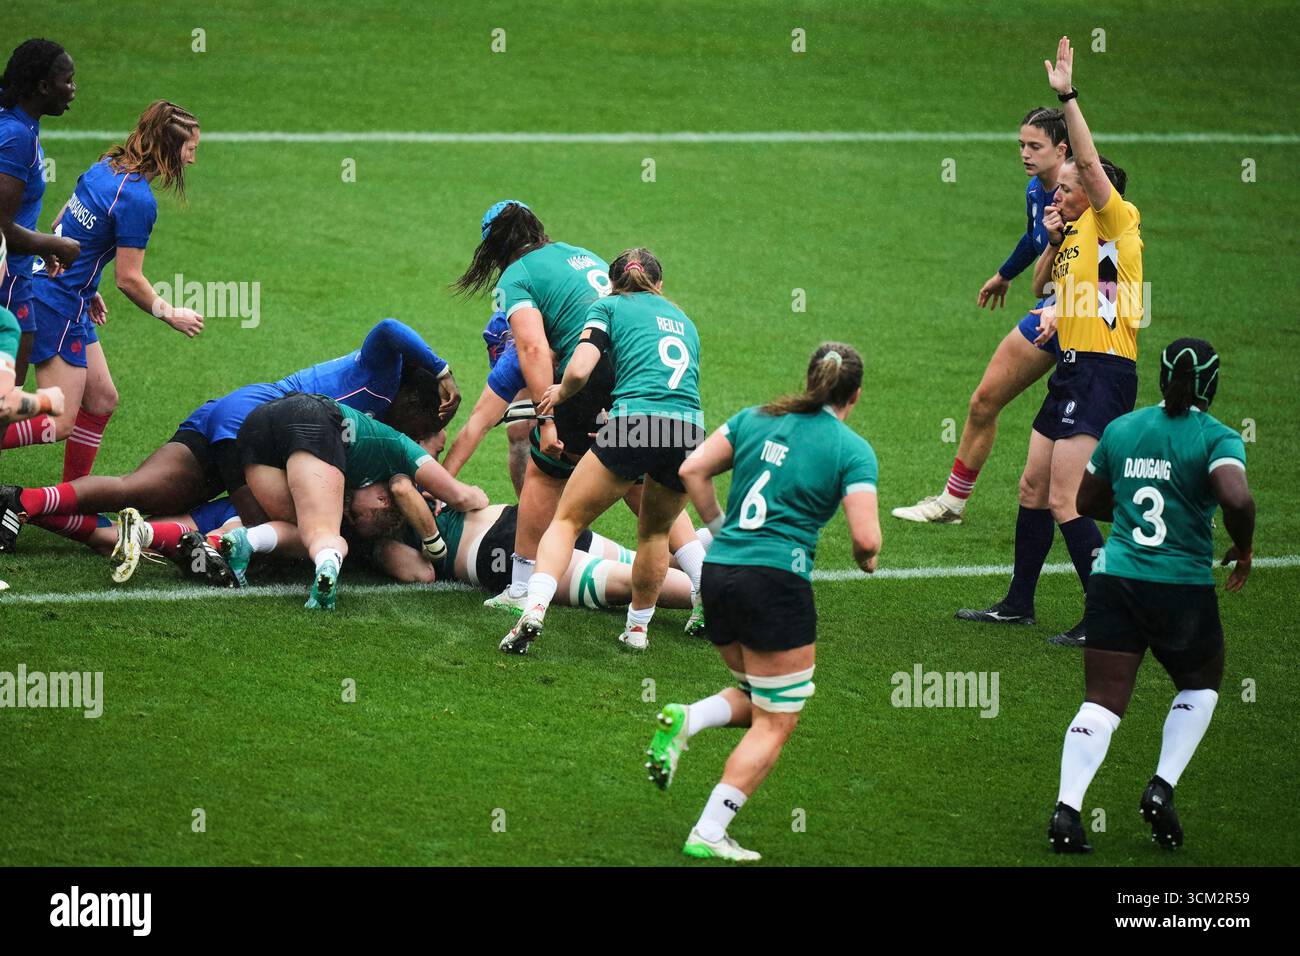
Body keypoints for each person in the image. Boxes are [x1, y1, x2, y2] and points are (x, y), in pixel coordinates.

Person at [648, 342, 880, 861]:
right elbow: (865, 540)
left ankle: (689, 719)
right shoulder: (851, 449)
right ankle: (709, 831)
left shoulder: (754, 417)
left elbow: (691, 471)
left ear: (810, 378)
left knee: (760, 693)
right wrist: (868, 559)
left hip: (720, 574)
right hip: (774, 582)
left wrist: (717, 528)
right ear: (855, 395)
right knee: (779, 717)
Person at [956, 37, 1144, 646]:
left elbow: (1088, 166)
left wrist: (1067, 94)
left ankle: (1105, 614)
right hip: (1070, 366)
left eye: (1066, 187)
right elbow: (1046, 283)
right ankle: (1019, 603)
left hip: (1101, 370)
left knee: (1068, 499)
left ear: (1092, 190)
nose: (1054, 193)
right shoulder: (1075, 234)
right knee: (1034, 487)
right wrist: (1054, 237)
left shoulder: (1116, 220)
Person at [1047, 338, 1253, 853]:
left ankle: (1067, 813)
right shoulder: (1218, 438)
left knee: (1101, 703)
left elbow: (1087, 500)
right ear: (1212, 382)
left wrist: (1135, 524)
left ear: (1162, 378)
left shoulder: (1122, 429)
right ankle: (1161, 787)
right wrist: (1243, 546)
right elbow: (1237, 497)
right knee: (1199, 686)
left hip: (1116, 582)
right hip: (1181, 588)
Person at [0, 319, 453, 552]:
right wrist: (442, 368)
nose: (425, 434)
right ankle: (187, 549)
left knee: (138, 493)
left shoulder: (377, 423)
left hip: (231, 410)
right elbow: (390, 328)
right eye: (430, 424)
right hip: (254, 421)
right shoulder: (380, 375)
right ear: (414, 403)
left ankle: (22, 502)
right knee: (271, 528)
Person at [501, 248, 702, 654]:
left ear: (611, 283)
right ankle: (637, 631)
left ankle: (534, 607)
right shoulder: (685, 320)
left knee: (566, 522)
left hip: (635, 424)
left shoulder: (607, 306)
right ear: (658, 285)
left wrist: (560, 393)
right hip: (689, 433)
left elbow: (578, 369)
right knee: (655, 533)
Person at [892, 106, 1069, 524]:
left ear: (1062, 149)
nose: (1025, 153)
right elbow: (1035, 238)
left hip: (1089, 323)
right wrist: (1003, 275)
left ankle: (1179, 500)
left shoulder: (1082, 197)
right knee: (984, 399)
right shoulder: (1035, 190)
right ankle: (952, 503)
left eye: (1035, 146)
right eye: (1021, 145)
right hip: (1048, 312)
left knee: (1093, 437)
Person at [18, 100, 204, 483]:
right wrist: (169, 313)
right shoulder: (138, 200)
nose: (192, 160)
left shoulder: (106, 167)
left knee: (102, 400)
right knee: (59, 420)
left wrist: (86, 282)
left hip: (58, 288)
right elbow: (129, 279)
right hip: (56, 303)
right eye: (190, 150)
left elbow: (61, 224)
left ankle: (71, 501)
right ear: (170, 149)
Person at [452, 200, 617, 610]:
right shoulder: (577, 254)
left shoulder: (516, 280)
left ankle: (523, 587)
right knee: (637, 477)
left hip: (591, 371)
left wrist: (546, 419)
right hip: (640, 370)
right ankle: (703, 573)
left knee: (544, 473)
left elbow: (532, 347)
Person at [220, 392, 486, 609]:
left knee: (300, 528)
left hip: (257, 426)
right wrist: (479, 496)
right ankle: (325, 577)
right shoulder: (403, 450)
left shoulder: (374, 461)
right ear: (383, 498)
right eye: (357, 515)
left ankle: (246, 540)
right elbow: (459, 495)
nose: (347, 512)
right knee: (324, 533)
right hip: (313, 417)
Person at [348, 478, 695, 610]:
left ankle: (724, 596)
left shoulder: (394, 520)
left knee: (632, 577)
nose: (378, 505)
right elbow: (475, 498)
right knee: (644, 563)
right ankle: (719, 565)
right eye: (358, 513)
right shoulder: (409, 490)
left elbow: (423, 572)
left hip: (497, 550)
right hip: (518, 522)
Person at [0, 38, 81, 395]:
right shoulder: (17, 137)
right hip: (7, 281)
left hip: (17, 275)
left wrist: (39, 247)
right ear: (43, 86)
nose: (73, 90)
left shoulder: (14, 119)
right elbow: (1, 230)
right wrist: (56, 244)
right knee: (5, 397)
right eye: (68, 81)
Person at [440, 310, 538, 497]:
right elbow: (479, 422)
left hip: (586, 354)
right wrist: (439, 486)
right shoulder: (512, 349)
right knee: (521, 430)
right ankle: (529, 512)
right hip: (529, 339)